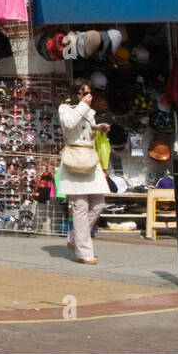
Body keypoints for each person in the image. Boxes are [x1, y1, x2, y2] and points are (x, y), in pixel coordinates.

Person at [58, 78, 110, 265]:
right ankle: (84, 253)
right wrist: (82, 106)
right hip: (75, 158)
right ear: (75, 93)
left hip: (90, 158)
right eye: (83, 92)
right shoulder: (65, 108)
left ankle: (74, 238)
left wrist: (98, 127)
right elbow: (70, 124)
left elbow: (85, 129)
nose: (88, 96)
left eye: (89, 92)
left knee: (98, 203)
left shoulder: (87, 110)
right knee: (80, 207)